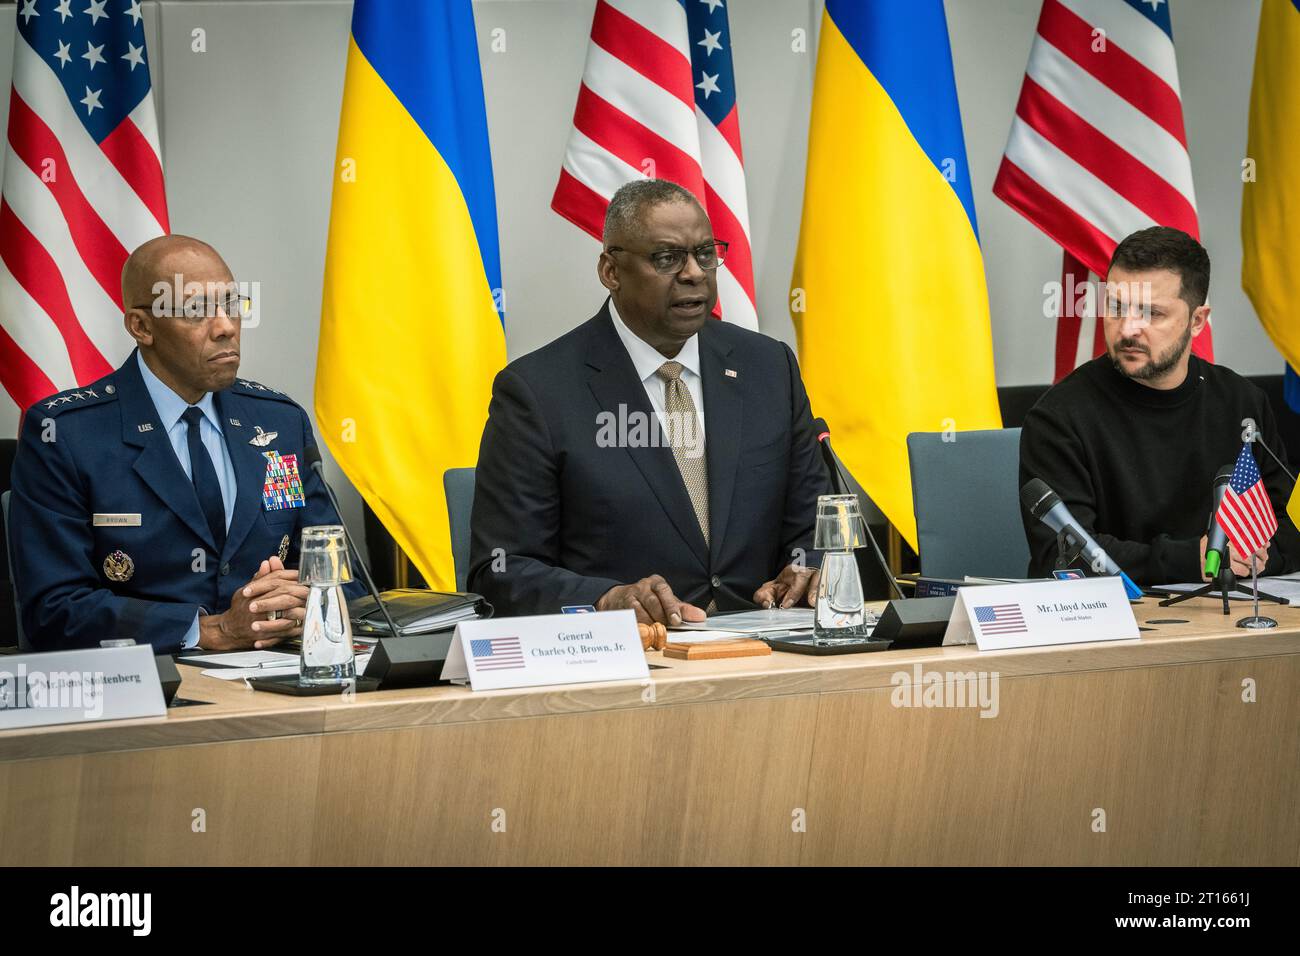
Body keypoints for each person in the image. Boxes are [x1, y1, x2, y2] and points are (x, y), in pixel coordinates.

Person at [468, 179, 828, 623]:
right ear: (611, 272)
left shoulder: (769, 369)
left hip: (764, 654)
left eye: (705, 253)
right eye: (667, 258)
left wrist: (807, 565)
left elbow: (816, 524)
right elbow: (501, 573)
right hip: (623, 664)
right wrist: (606, 599)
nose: (694, 272)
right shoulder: (537, 392)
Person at [10, 235, 358, 652]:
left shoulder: (279, 421)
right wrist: (212, 630)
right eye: (196, 310)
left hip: (278, 672)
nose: (226, 326)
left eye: (231, 304)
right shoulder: (66, 433)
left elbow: (342, 579)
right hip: (148, 687)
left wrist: (301, 604)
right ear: (142, 327)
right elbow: (54, 609)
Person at [1019, 226, 1300, 585]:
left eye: (1151, 314)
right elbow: (1064, 556)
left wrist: (1256, 558)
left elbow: (1290, 526)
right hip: (1112, 619)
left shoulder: (1242, 402)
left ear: (1197, 321)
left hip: (1231, 613)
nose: (1128, 329)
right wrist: (1191, 560)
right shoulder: (1058, 417)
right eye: (1117, 307)